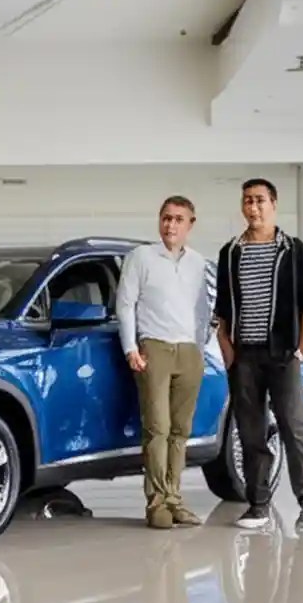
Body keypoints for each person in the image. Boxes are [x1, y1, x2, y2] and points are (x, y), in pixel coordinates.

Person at [213, 178, 303, 534]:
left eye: (260, 200)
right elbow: (223, 308)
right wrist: (227, 348)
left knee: (293, 427)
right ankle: (258, 504)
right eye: (247, 201)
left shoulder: (292, 249)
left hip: (283, 354)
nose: (253, 207)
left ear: (274, 204)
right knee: (250, 432)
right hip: (244, 356)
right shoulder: (231, 252)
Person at [115, 196, 212, 530]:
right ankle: (156, 504)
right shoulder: (140, 257)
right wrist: (131, 348)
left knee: (180, 432)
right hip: (153, 348)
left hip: (189, 352)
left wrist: (200, 347)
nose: (171, 225)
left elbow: (203, 310)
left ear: (190, 224)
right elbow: (125, 305)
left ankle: (175, 500)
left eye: (178, 219)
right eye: (166, 218)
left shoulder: (199, 263)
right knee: (157, 428)